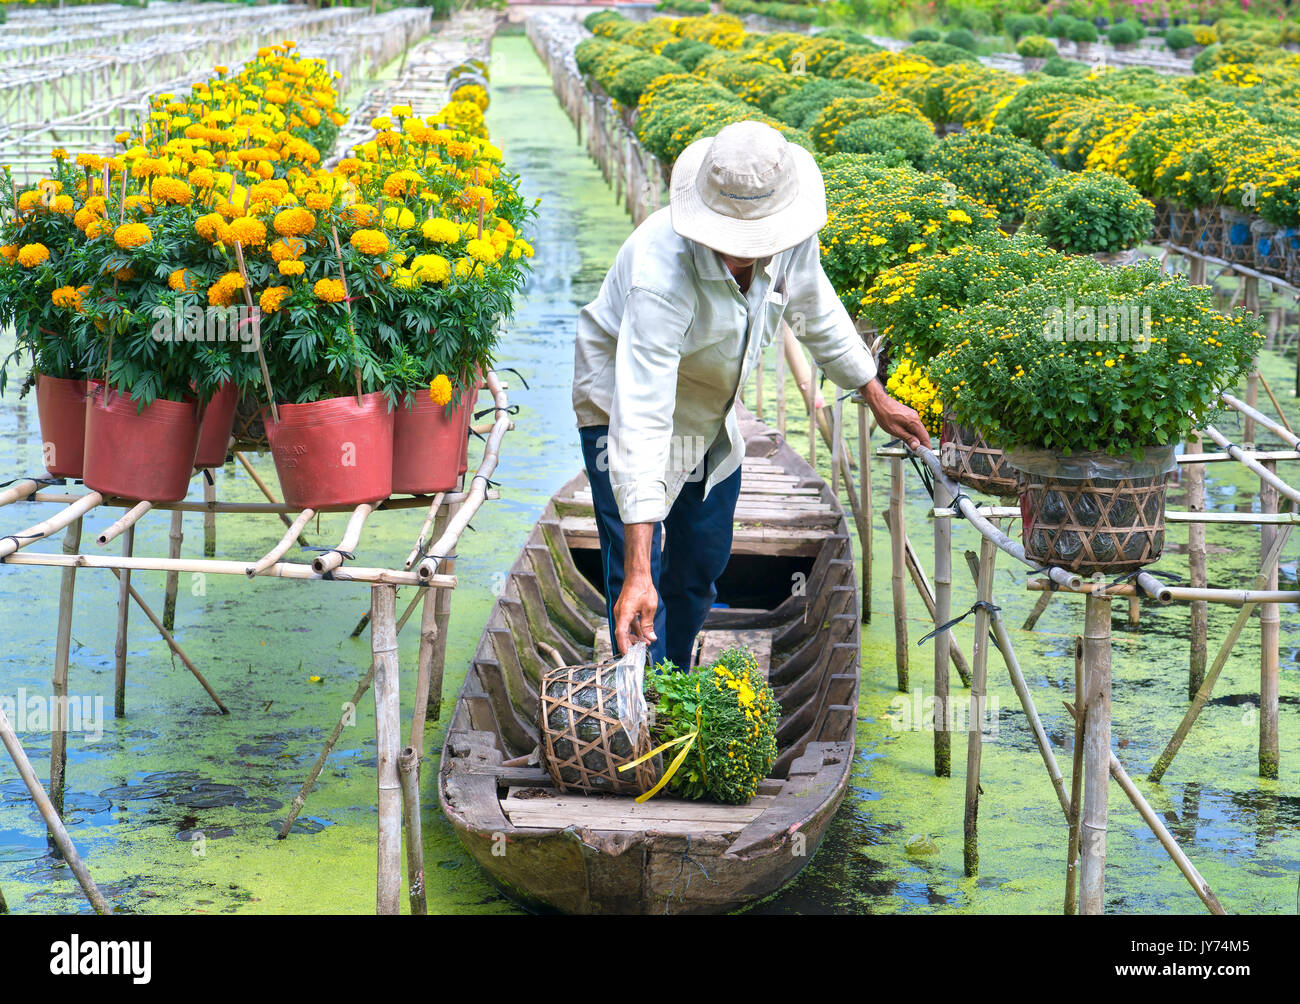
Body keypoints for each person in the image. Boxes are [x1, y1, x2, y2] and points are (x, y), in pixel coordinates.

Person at [571, 120, 929, 670]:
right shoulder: (660, 276)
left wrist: (874, 393)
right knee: (639, 568)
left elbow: (814, 306)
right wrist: (640, 571)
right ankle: (642, 702)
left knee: (703, 559)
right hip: (619, 405)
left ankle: (676, 680)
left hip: (710, 412)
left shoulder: (789, 235)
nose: (750, 255)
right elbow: (641, 418)